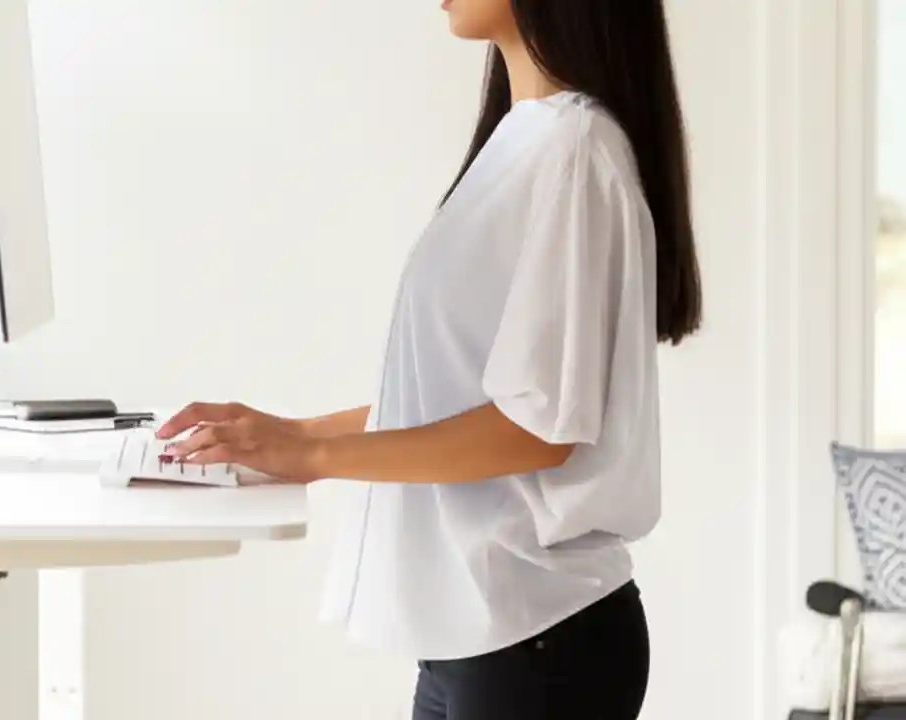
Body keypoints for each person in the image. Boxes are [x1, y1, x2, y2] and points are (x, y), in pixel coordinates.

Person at [156, 0, 701, 717]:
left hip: (537, 640)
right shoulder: (527, 140)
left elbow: (536, 429)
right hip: (488, 639)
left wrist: (314, 457)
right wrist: (296, 434)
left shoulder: (575, 149)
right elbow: (461, 399)